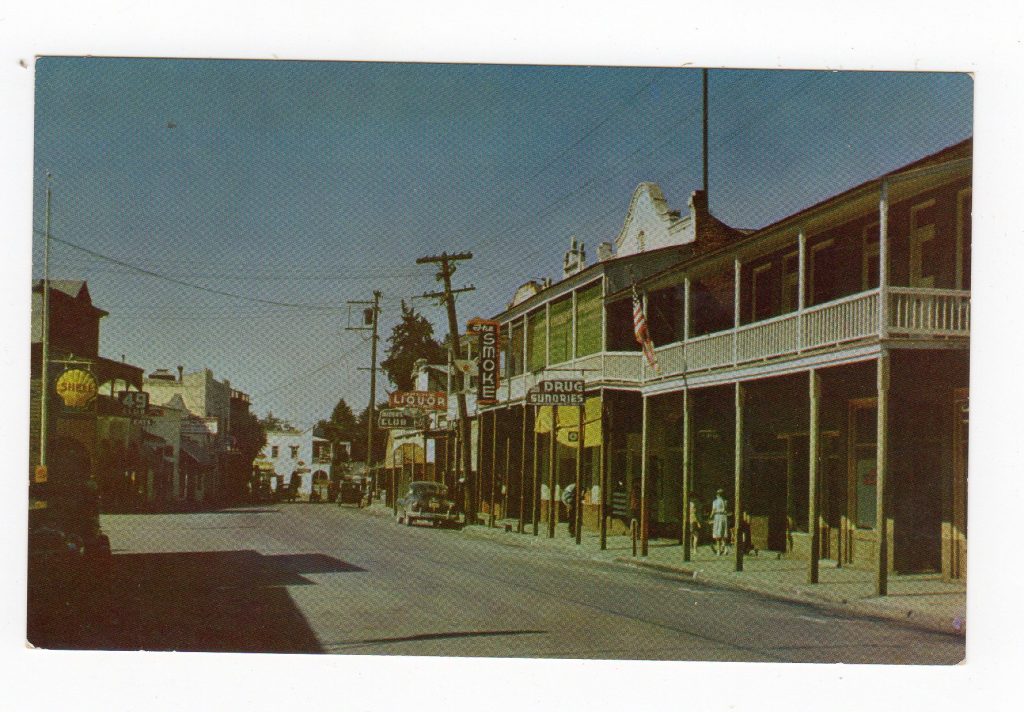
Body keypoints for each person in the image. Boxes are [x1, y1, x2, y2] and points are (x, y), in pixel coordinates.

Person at [711, 488, 729, 556]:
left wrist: (710, 517)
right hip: (724, 517)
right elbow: (726, 509)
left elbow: (713, 510)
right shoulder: (725, 501)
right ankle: (725, 549)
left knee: (717, 534)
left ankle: (718, 551)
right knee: (723, 533)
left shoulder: (715, 502)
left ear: (717, 495)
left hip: (717, 517)